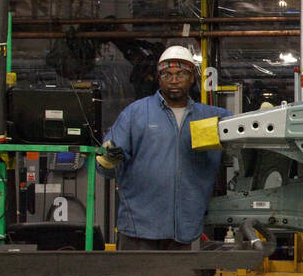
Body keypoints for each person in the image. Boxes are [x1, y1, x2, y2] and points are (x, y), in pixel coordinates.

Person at [97, 45, 231, 250]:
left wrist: (267, 115)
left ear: (192, 78)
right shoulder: (136, 114)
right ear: (159, 79)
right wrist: (108, 159)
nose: (174, 80)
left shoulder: (211, 118)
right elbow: (104, 167)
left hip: (185, 230)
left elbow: (246, 129)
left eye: (181, 74)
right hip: (139, 229)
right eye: (167, 75)